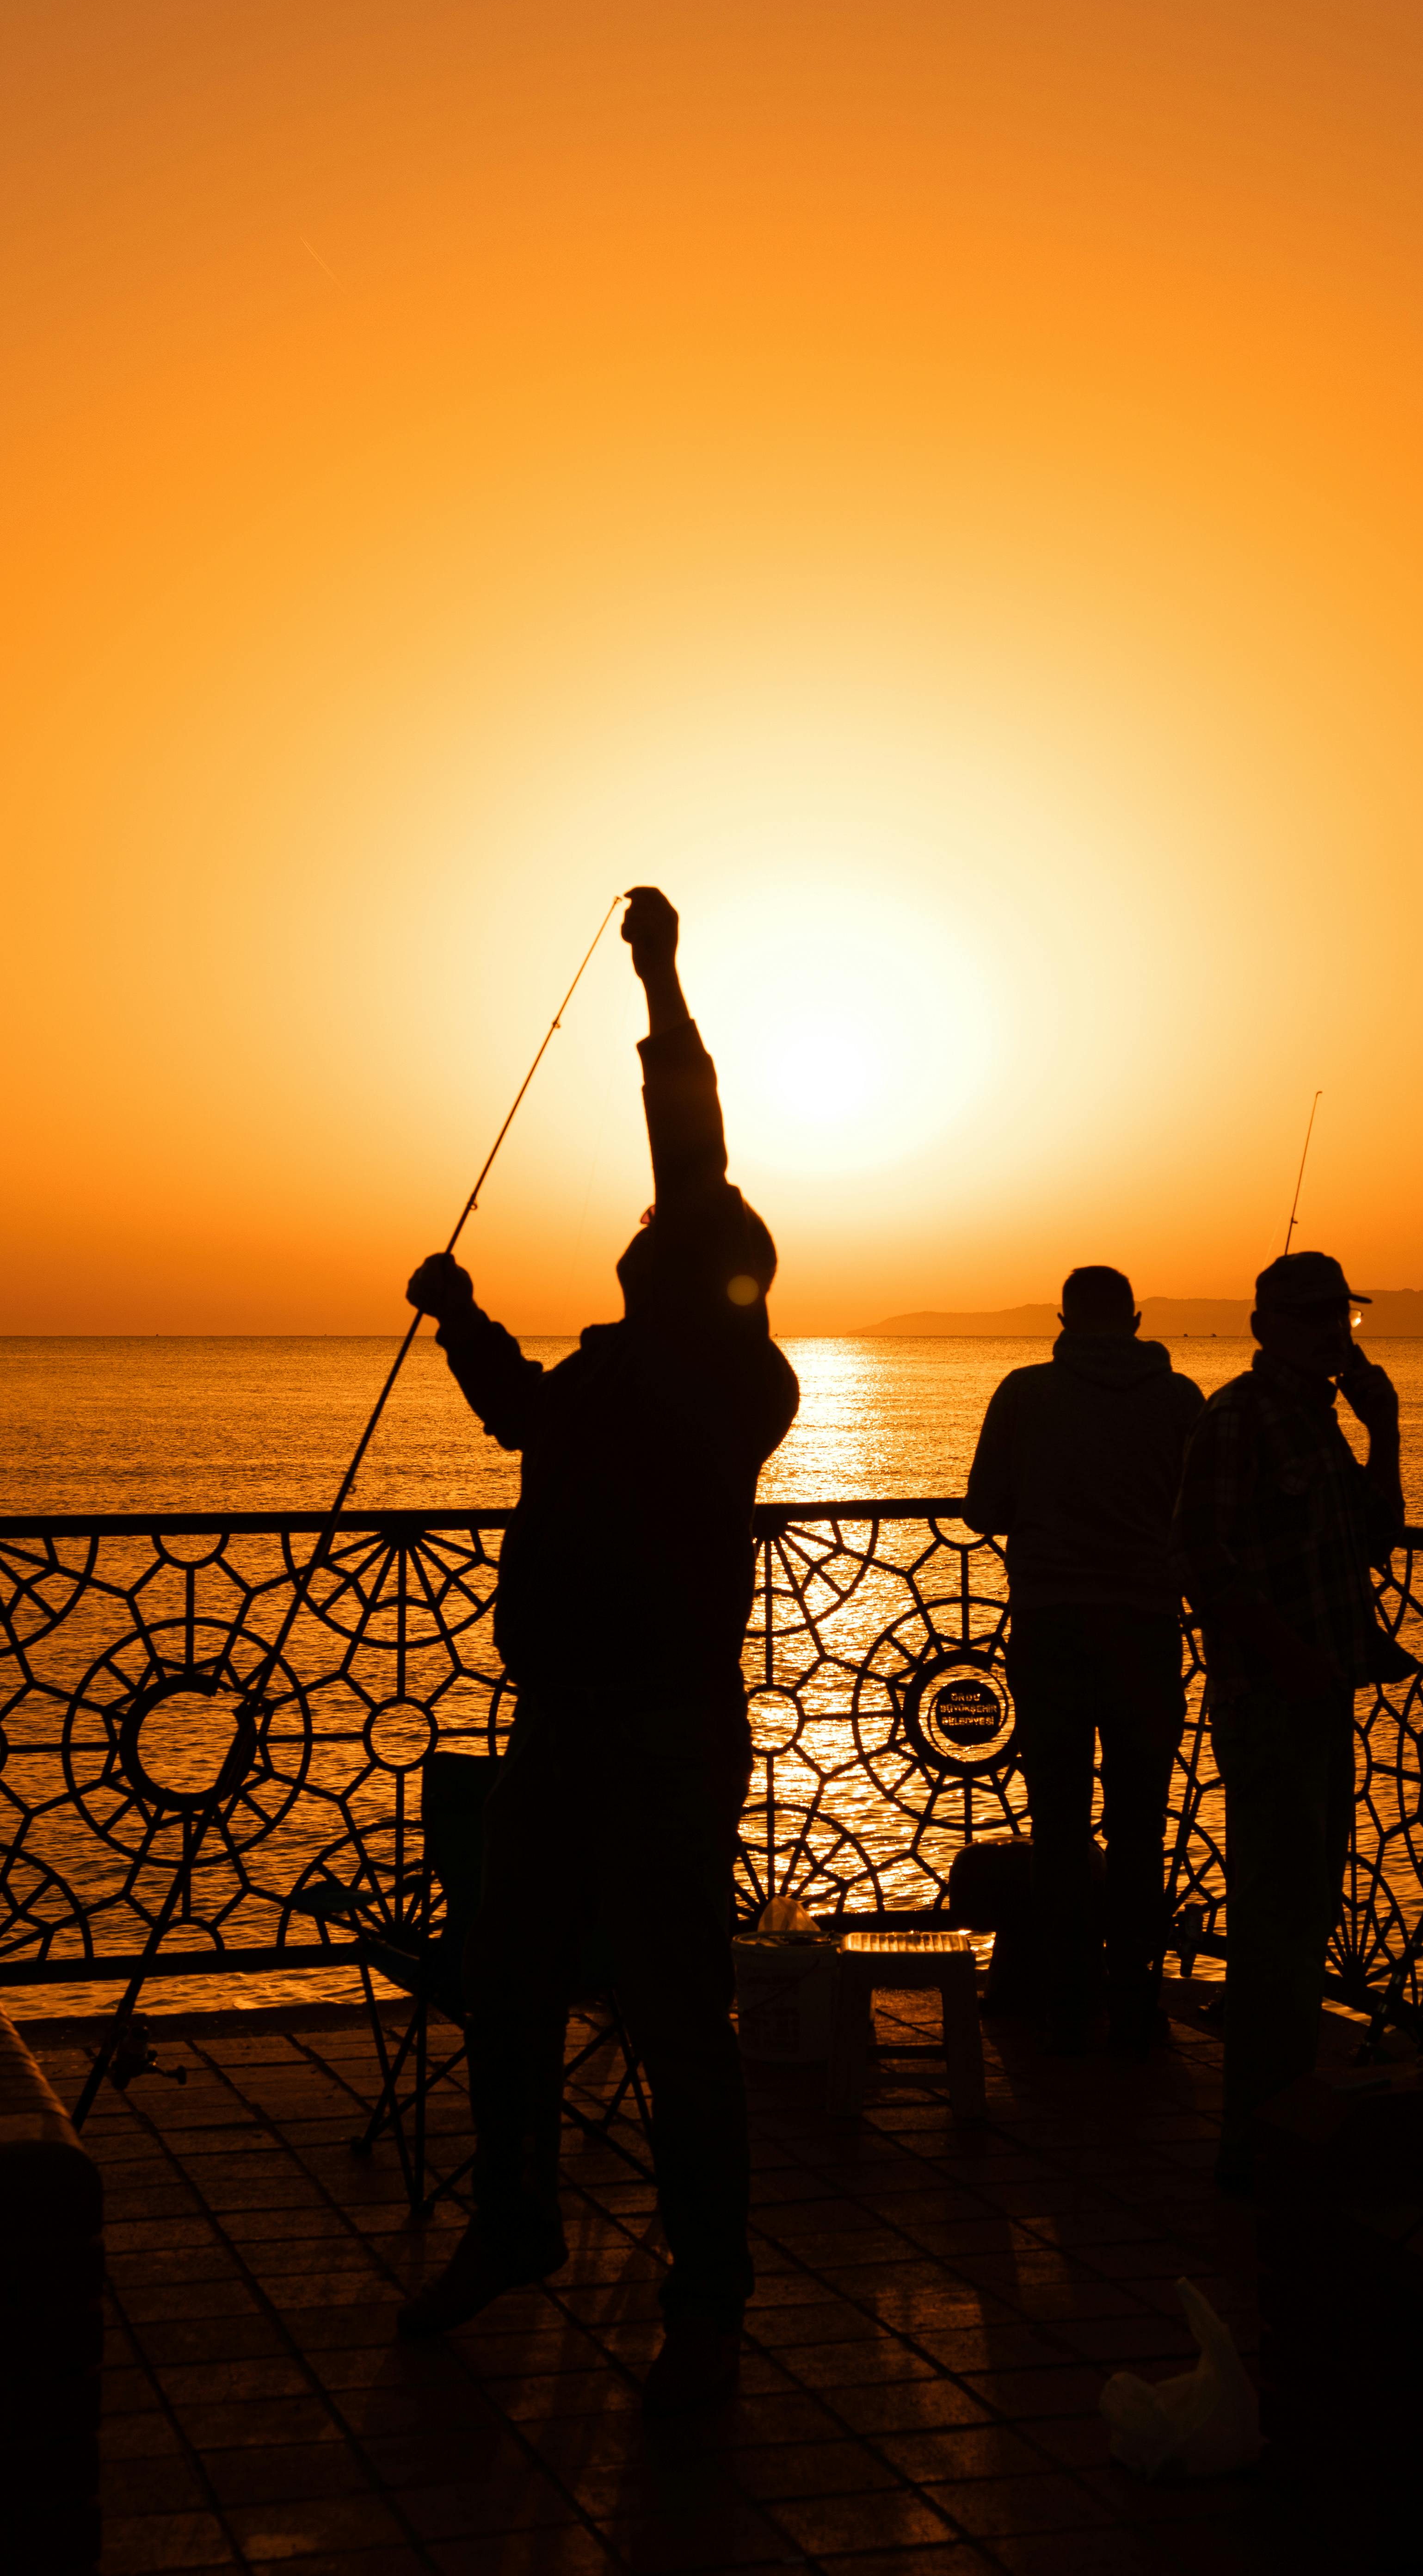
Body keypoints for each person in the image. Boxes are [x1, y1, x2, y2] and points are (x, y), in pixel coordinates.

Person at [396, 887, 799, 2414]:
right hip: (561, 1727)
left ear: (705, 1274)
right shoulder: (614, 1374)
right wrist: (463, 1318)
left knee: (678, 2017)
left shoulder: (726, 1378)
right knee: (507, 1991)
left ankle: (708, 2286)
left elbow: (688, 1149)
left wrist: (662, 979)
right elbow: (521, 1416)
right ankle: (519, 2229)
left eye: (659, 1245)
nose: (635, 1249)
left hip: (662, 1731)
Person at [1174, 1250, 1408, 2191]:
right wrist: (1286, 1655)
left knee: (1304, 1908)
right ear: (1265, 1325)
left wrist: (1383, 1427)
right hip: (1273, 1701)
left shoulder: (1316, 1421)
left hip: (1319, 1697)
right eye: (1311, 1317)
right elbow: (1199, 1558)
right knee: (1276, 1922)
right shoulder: (1236, 1417)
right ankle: (1252, 2142)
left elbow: (1376, 1534)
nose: (1329, 1332)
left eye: (1339, 1318)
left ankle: (1274, 2123)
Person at [963, 1266, 1206, 2056]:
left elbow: (983, 1509)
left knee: (1060, 1826)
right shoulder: (1181, 1402)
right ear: (1137, 1320)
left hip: (1052, 1628)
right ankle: (1136, 1998)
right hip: (1145, 1630)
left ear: (1061, 1320)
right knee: (1142, 1823)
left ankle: (1067, 1998)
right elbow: (1206, 1517)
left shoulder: (1025, 1393)